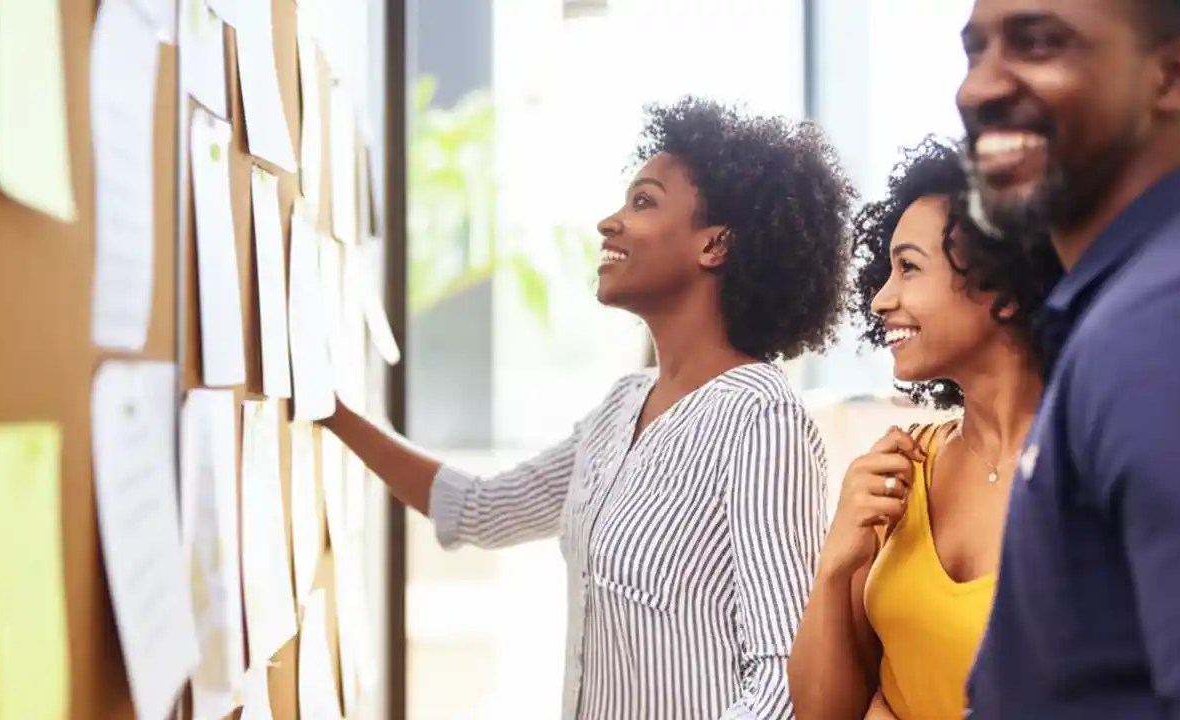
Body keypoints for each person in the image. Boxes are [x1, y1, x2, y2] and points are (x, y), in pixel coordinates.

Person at [324, 96, 854, 719]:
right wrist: (333, 410)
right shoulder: (620, 408)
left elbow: (783, 675)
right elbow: (479, 510)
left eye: (643, 202)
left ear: (716, 245)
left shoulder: (762, 420)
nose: (609, 222)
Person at [957, 0, 1180, 717]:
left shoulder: (1176, 318)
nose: (977, 88)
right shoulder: (1143, 302)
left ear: (1170, 77)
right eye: (974, 50)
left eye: (1037, 43)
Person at [785, 137, 1061, 720]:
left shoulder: (1095, 476)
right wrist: (835, 568)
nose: (882, 298)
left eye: (908, 267)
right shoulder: (902, 470)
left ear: (1003, 288)